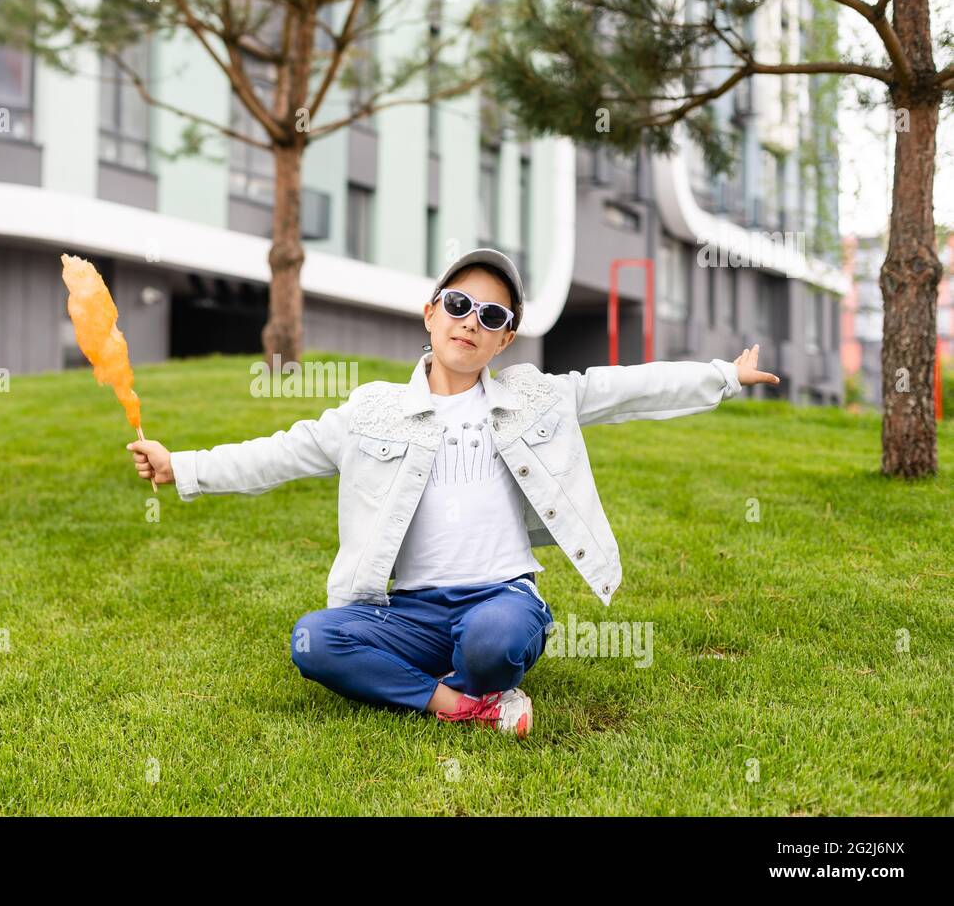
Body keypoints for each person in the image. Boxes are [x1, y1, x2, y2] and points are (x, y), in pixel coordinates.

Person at [126, 249, 780, 740]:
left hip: (499, 597)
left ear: (504, 337)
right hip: (403, 614)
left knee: (495, 641)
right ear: (432, 312)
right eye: (459, 305)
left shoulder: (534, 398)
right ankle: (465, 704)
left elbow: (628, 388)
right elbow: (276, 454)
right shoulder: (371, 411)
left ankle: (469, 677)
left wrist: (725, 374)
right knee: (312, 642)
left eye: (491, 315)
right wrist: (180, 467)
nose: (471, 321)